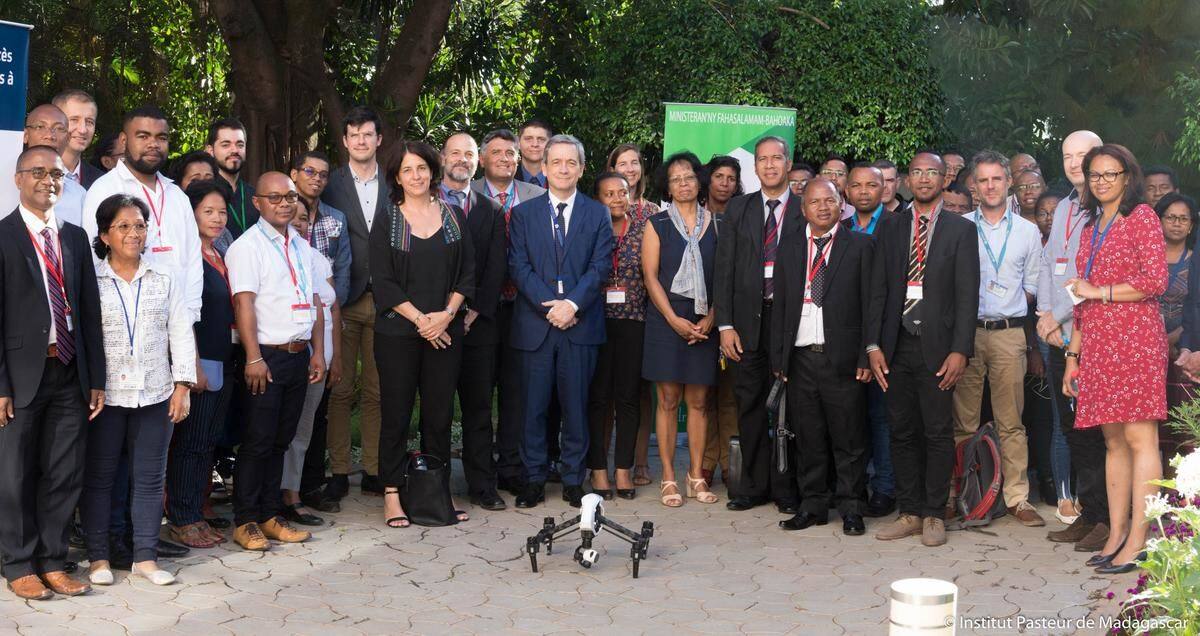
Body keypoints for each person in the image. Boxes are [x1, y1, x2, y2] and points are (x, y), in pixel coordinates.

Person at [0, 146, 104, 600]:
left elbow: (89, 311)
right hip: (21, 375)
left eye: (55, 173)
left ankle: (53, 560)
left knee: (64, 472)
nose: (48, 180)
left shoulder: (76, 238)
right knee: (16, 472)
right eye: (38, 172)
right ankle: (19, 563)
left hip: (69, 372)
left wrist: (95, 376)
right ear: (18, 179)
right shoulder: (2, 237)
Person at [82, 194, 196, 587]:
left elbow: (181, 331)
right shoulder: (90, 280)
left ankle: (145, 558)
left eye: (140, 225)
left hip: (155, 393)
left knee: (150, 478)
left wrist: (182, 386)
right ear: (105, 235)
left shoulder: (164, 276)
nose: (134, 233)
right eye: (124, 226)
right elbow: (82, 339)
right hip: (106, 397)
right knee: (100, 478)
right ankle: (98, 558)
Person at [866, 150, 979, 548]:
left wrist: (960, 350)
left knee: (936, 432)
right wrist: (873, 345)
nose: (925, 178)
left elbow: (968, 297)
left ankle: (934, 513)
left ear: (944, 180)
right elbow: (877, 291)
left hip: (939, 347)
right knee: (901, 431)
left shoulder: (961, 230)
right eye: (917, 172)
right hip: (896, 345)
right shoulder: (891, 227)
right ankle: (910, 511)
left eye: (933, 172)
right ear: (906, 180)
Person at [1063, 144, 1166, 574]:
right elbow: (1080, 299)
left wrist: (1100, 292)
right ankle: (1116, 534)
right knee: (1112, 442)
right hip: (1100, 344)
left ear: (1128, 176)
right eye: (1095, 175)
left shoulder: (1141, 217)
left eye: (1111, 173)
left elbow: (1154, 280)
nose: (1102, 181)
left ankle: (1140, 540)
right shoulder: (1090, 227)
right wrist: (1073, 357)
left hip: (1137, 339)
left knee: (1141, 440)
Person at [370, 141, 474, 527]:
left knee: (439, 414)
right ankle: (393, 493)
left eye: (422, 168)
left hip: (446, 332)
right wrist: (422, 321)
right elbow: (382, 281)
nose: (416, 176)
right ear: (397, 176)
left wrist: (445, 316)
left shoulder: (453, 215)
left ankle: (438, 490)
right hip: (398, 332)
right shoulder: (388, 219)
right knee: (397, 414)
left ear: (433, 171)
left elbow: (467, 273)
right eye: (407, 170)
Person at [508, 134, 611, 509]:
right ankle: (533, 478)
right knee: (532, 407)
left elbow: (601, 267)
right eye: (557, 162)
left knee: (576, 406)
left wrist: (572, 306)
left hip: (580, 326)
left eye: (572, 163)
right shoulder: (523, 214)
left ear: (582, 169)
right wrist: (550, 306)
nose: (564, 169)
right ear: (544, 167)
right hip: (536, 325)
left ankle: (572, 479)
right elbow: (518, 266)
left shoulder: (597, 212)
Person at [225, 172, 326, 550]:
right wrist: (252, 357)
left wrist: (317, 350)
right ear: (257, 203)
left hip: (298, 355)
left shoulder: (300, 244)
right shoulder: (247, 247)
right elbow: (243, 304)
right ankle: (245, 520)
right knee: (257, 441)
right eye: (274, 198)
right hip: (265, 357)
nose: (284, 204)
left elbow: (314, 301)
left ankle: (270, 515)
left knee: (281, 440)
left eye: (289, 197)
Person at [772, 178, 874, 535]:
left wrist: (866, 354)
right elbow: (781, 304)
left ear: (840, 204)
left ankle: (851, 507)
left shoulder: (860, 246)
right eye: (814, 202)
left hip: (843, 358)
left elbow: (871, 305)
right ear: (804, 210)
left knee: (849, 439)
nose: (823, 207)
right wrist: (780, 359)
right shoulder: (790, 248)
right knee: (809, 437)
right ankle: (812, 505)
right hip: (801, 358)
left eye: (829, 201)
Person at [953, 150, 1045, 527]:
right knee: (963, 420)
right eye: (983, 180)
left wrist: (1006, 302)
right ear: (973, 185)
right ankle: (960, 494)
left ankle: (1017, 499)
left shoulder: (1027, 231)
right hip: (966, 334)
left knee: (1011, 421)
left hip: (1008, 334)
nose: (990, 186)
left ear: (1009, 183)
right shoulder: (959, 226)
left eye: (997, 179)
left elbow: (1035, 284)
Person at [715, 136, 803, 513]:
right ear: (755, 167)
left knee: (792, 407)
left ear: (788, 162)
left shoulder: (805, 207)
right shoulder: (738, 208)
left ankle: (787, 488)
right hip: (747, 323)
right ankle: (752, 486)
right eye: (763, 160)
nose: (769, 165)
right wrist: (725, 325)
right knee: (749, 403)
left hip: (791, 324)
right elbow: (724, 269)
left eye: (776, 159)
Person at [1036, 130, 1111, 552]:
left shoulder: (1106, 212)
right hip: (1056, 336)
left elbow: (1093, 277)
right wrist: (1044, 321)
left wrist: (1057, 314)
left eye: (1082, 155)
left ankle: (1104, 516)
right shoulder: (1064, 207)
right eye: (1067, 155)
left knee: (1094, 429)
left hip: (1088, 334)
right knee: (1071, 427)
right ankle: (1087, 512)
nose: (1073, 162)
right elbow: (1050, 265)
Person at [642, 152, 720, 507]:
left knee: (700, 401)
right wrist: (673, 319)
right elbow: (650, 277)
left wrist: (713, 317)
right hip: (666, 319)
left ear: (699, 181)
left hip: (706, 320)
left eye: (689, 177)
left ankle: (696, 477)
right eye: (676, 179)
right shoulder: (656, 224)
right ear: (667, 187)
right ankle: (670, 477)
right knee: (669, 399)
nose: (684, 183)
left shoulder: (718, 224)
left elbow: (726, 276)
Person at [471, 128, 546, 495]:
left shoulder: (539, 196)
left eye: (510, 153)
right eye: (496, 152)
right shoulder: (464, 196)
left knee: (517, 392)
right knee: (480, 390)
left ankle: (512, 466)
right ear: (482, 159)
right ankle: (481, 471)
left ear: (519, 161)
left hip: (524, 308)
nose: (504, 158)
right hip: (480, 311)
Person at [320, 107, 388, 500]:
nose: (361, 141)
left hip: (386, 299)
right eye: (354, 135)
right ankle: (340, 470)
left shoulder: (395, 181)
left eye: (368, 134)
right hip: (343, 300)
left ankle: (376, 470)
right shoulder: (330, 183)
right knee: (341, 388)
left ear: (379, 139)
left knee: (379, 390)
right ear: (345, 141)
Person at [82, 105, 203, 325]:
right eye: (143, 136)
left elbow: (193, 260)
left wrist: (189, 316)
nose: (153, 144)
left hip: (180, 322)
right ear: (124, 140)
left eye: (161, 137)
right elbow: (94, 258)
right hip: (124, 323)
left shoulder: (177, 195)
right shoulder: (104, 190)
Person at [165, 180, 236, 549]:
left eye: (222, 211)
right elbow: (183, 315)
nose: (217, 218)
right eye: (208, 211)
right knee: (190, 444)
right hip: (198, 360)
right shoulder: (187, 256)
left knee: (205, 443)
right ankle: (182, 518)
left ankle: (194, 512)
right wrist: (191, 367)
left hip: (221, 357)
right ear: (190, 214)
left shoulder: (218, 252)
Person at [439, 132, 507, 510]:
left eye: (468, 154)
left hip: (478, 324)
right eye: (455, 153)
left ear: (477, 162)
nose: (461, 159)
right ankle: (435, 485)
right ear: (443, 158)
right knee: (437, 407)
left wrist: (472, 312)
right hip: (435, 324)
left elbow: (496, 267)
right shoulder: (425, 203)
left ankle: (483, 486)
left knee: (479, 408)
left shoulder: (490, 209)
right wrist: (446, 314)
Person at [289, 152, 352, 513]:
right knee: (290, 423)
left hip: (326, 336)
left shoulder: (334, 222)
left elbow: (337, 283)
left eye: (323, 174)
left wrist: (333, 346)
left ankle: (309, 486)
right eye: (309, 171)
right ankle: (284, 494)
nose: (315, 178)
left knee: (315, 417)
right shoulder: (271, 240)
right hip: (293, 341)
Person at [279, 202, 341, 527]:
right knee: (285, 432)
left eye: (304, 218)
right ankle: (285, 496)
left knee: (303, 432)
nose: (299, 222)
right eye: (293, 217)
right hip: (299, 356)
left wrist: (336, 358)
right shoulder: (278, 255)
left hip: (323, 359)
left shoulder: (316, 257)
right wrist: (317, 353)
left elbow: (332, 309)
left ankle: (292, 492)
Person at [586, 173, 646, 499]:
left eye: (622, 192)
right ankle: (597, 470)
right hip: (595, 321)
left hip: (633, 320)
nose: (617, 199)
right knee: (597, 399)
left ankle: (623, 469)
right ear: (599, 199)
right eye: (609, 194)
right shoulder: (590, 228)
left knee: (627, 398)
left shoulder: (643, 228)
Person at [842, 163, 896, 517]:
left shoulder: (897, 227)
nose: (863, 192)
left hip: (883, 337)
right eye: (856, 185)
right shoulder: (838, 226)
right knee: (849, 416)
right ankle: (851, 487)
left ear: (885, 189)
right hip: (843, 335)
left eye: (871, 185)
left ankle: (885, 487)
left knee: (881, 416)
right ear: (846, 191)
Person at [700, 155, 743, 487]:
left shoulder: (744, 213)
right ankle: (706, 459)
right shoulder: (693, 214)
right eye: (719, 176)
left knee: (729, 393)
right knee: (703, 393)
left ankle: (731, 462)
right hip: (697, 316)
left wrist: (723, 313)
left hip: (733, 316)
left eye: (731, 177)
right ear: (708, 179)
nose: (725, 183)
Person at [23, 104, 86, 227]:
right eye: (40, 127)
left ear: (68, 138)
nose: (50, 136)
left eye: (58, 128)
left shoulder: (79, 195)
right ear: (25, 135)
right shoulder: (5, 181)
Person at [1156, 193, 1196, 359]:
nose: (1177, 224)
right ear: (1159, 221)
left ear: (1191, 226)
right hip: (1145, 341)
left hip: (1187, 346)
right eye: (1171, 217)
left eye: (1183, 219)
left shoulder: (1196, 261)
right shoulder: (1145, 260)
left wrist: (1169, 341)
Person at [205, 117, 257, 239]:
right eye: (226, 145)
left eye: (240, 144)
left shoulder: (255, 195)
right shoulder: (203, 194)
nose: (234, 150)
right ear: (210, 151)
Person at [51, 89, 103, 188]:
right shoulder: (32, 172)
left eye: (89, 122)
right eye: (74, 120)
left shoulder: (101, 181)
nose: (83, 130)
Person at [516, 119, 552, 188]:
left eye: (541, 139)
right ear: (518, 143)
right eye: (528, 139)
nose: (535, 144)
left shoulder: (562, 178)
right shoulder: (507, 178)